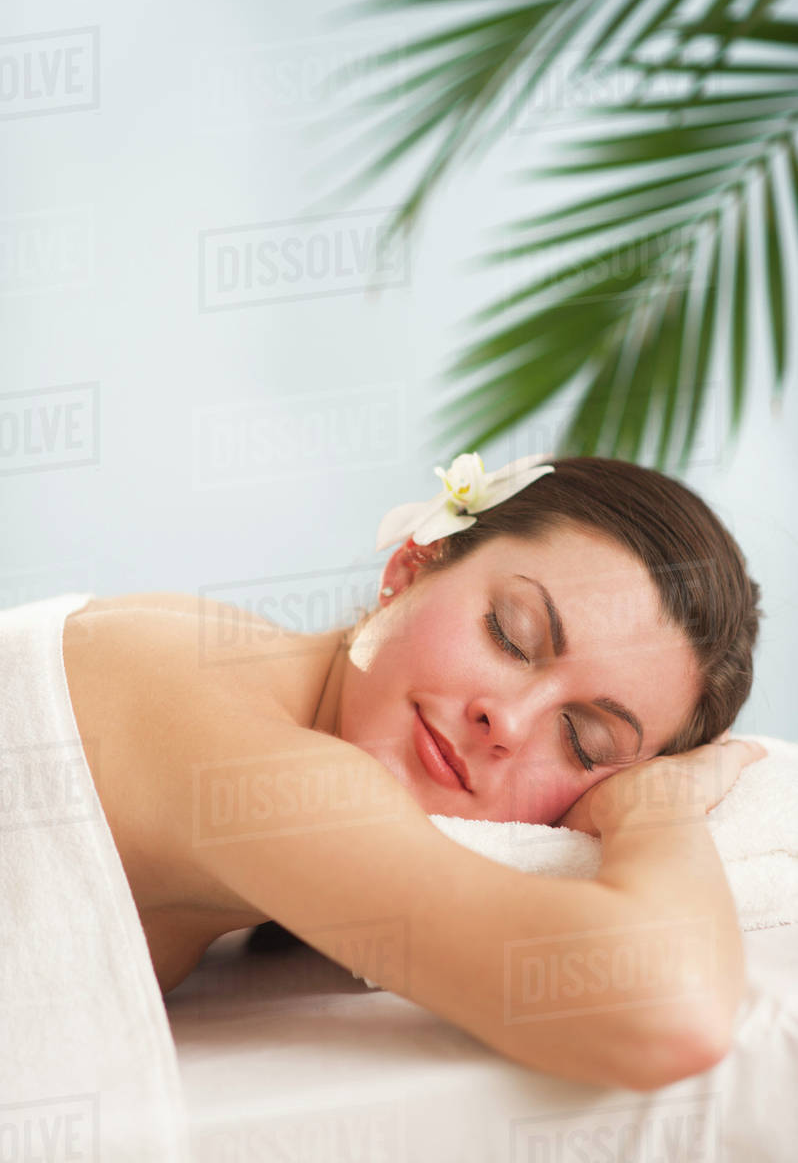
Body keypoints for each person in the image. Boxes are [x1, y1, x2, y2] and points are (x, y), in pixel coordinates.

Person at [60, 453, 763, 1090]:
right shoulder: (228, 736)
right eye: (510, 635)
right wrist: (660, 806)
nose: (509, 720)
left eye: (583, 740)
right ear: (411, 567)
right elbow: (668, 1012)